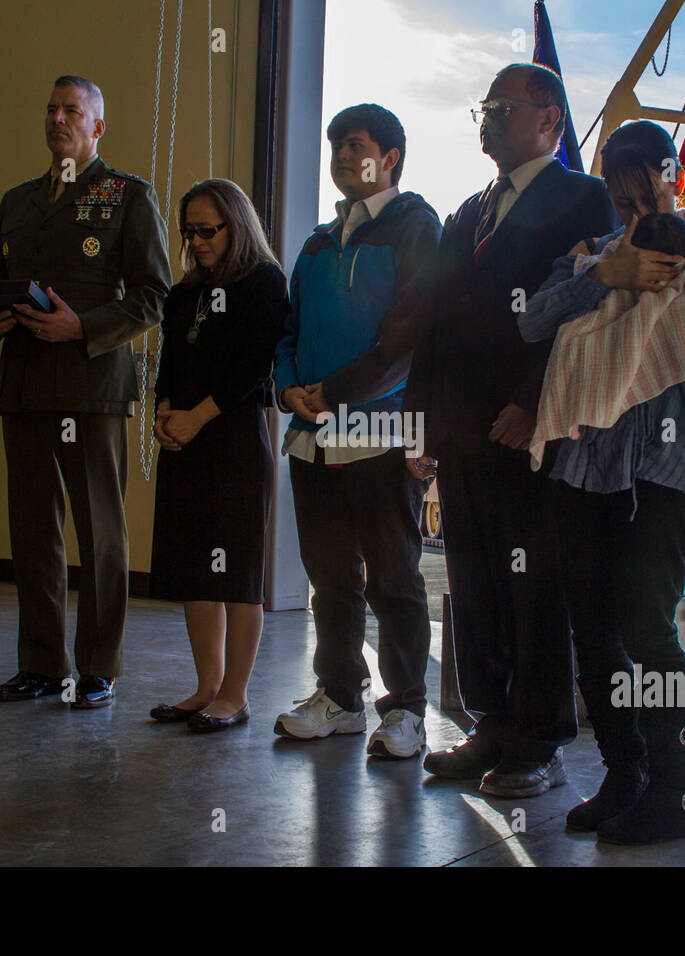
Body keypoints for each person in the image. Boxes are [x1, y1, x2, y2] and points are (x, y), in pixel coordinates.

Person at [521, 120, 685, 843]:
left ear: (673, 180)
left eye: (643, 195)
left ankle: (677, 790)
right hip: (584, 465)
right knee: (593, 632)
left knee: (646, 627)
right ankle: (622, 774)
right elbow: (535, 323)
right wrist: (605, 274)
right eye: (619, 202)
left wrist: (611, 300)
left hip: (662, 469)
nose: (632, 216)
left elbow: (677, 331)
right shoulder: (595, 257)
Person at [402, 64, 618, 797]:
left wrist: (534, 402)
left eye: (502, 107)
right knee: (474, 581)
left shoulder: (582, 198)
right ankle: (489, 723)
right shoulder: (469, 210)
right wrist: (420, 425)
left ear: (550, 121)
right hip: (459, 432)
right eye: (483, 108)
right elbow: (431, 321)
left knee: (533, 586)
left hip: (531, 431)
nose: (487, 119)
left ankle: (539, 739)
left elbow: (588, 309)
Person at [0, 75, 172, 709]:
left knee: (100, 530)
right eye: (52, 109)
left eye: (73, 110)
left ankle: (98, 668)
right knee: (33, 531)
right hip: (26, 386)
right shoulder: (17, 202)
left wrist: (81, 325)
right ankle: (39, 663)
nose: (59, 118)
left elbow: (154, 296)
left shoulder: (126, 195)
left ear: (97, 127)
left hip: (92, 386)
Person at [271, 103, 441, 758]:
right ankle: (339, 698)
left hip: (381, 433)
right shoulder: (318, 242)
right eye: (336, 144)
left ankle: (405, 712)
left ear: (390, 157)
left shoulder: (415, 226)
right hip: (311, 439)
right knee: (331, 579)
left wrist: (334, 393)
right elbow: (288, 331)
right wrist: (289, 389)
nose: (343, 155)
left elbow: (406, 337)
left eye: (357, 144)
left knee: (393, 578)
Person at [146, 179, 288, 732]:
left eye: (207, 230)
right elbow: (170, 364)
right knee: (196, 573)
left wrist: (196, 417)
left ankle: (234, 694)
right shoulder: (184, 294)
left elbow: (255, 366)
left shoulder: (263, 282)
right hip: (185, 439)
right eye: (189, 232)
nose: (197, 241)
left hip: (232, 441)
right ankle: (206, 686)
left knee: (236, 573)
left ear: (237, 225)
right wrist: (163, 410)